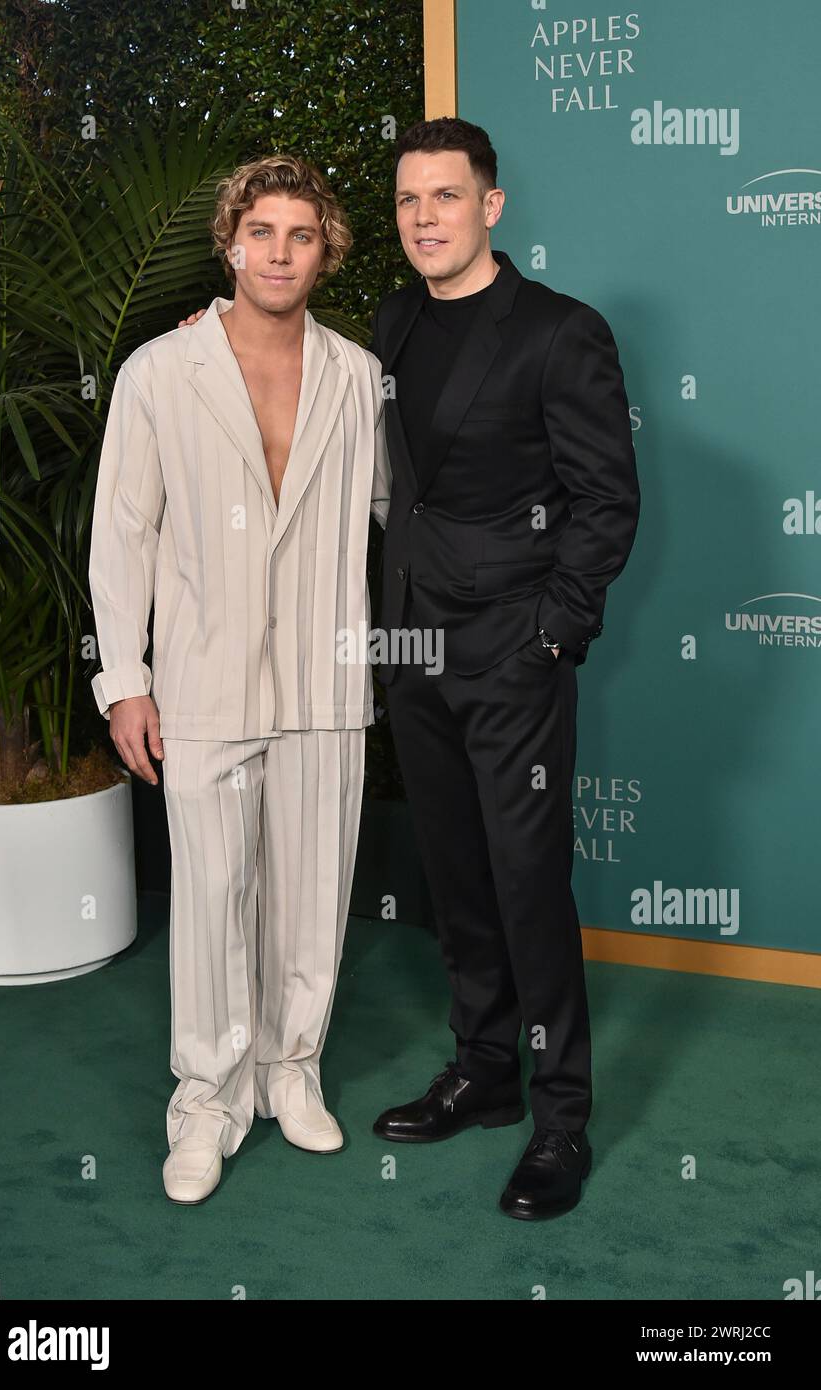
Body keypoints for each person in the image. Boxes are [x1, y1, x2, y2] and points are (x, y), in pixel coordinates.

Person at [88, 155, 391, 1205]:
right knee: (212, 900)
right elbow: (121, 534)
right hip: (203, 680)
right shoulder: (158, 374)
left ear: (325, 250)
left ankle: (290, 1070)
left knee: (314, 894)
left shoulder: (356, 374)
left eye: (299, 235)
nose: (277, 251)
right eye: (259, 231)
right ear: (227, 242)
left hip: (323, 677)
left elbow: (401, 509)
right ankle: (205, 1102)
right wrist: (124, 678)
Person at [366, 117, 640, 1220]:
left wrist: (551, 631)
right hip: (410, 645)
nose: (423, 218)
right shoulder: (387, 326)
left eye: (444, 196)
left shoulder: (558, 331)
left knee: (527, 887)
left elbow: (605, 497)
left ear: (491, 205)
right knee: (455, 878)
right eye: (406, 201)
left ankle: (559, 1118)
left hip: (511, 655)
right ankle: (484, 1070)